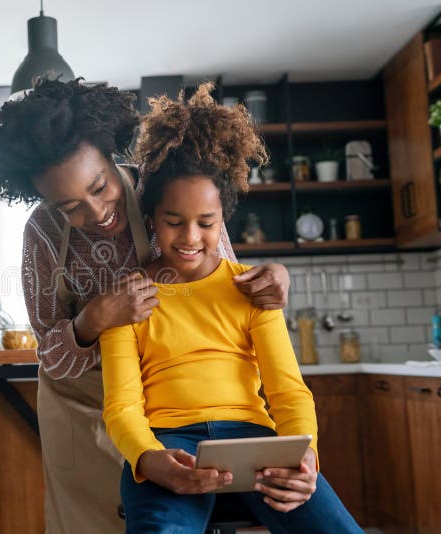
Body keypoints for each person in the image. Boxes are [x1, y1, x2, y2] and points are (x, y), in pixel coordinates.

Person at [0, 78, 291, 533]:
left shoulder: (166, 192)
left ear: (111, 152)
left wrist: (276, 278)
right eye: (70, 207)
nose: (97, 211)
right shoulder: (41, 234)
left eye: (100, 186)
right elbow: (49, 353)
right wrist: (94, 319)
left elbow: (228, 295)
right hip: (82, 413)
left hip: (171, 411)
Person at [100, 85, 362, 533]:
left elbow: (289, 392)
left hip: (254, 442)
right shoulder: (128, 299)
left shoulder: (252, 289)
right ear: (151, 219)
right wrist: (148, 458)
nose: (190, 238)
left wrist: (306, 455)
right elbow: (121, 407)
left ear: (223, 219)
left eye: (206, 223)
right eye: (173, 222)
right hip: (167, 442)